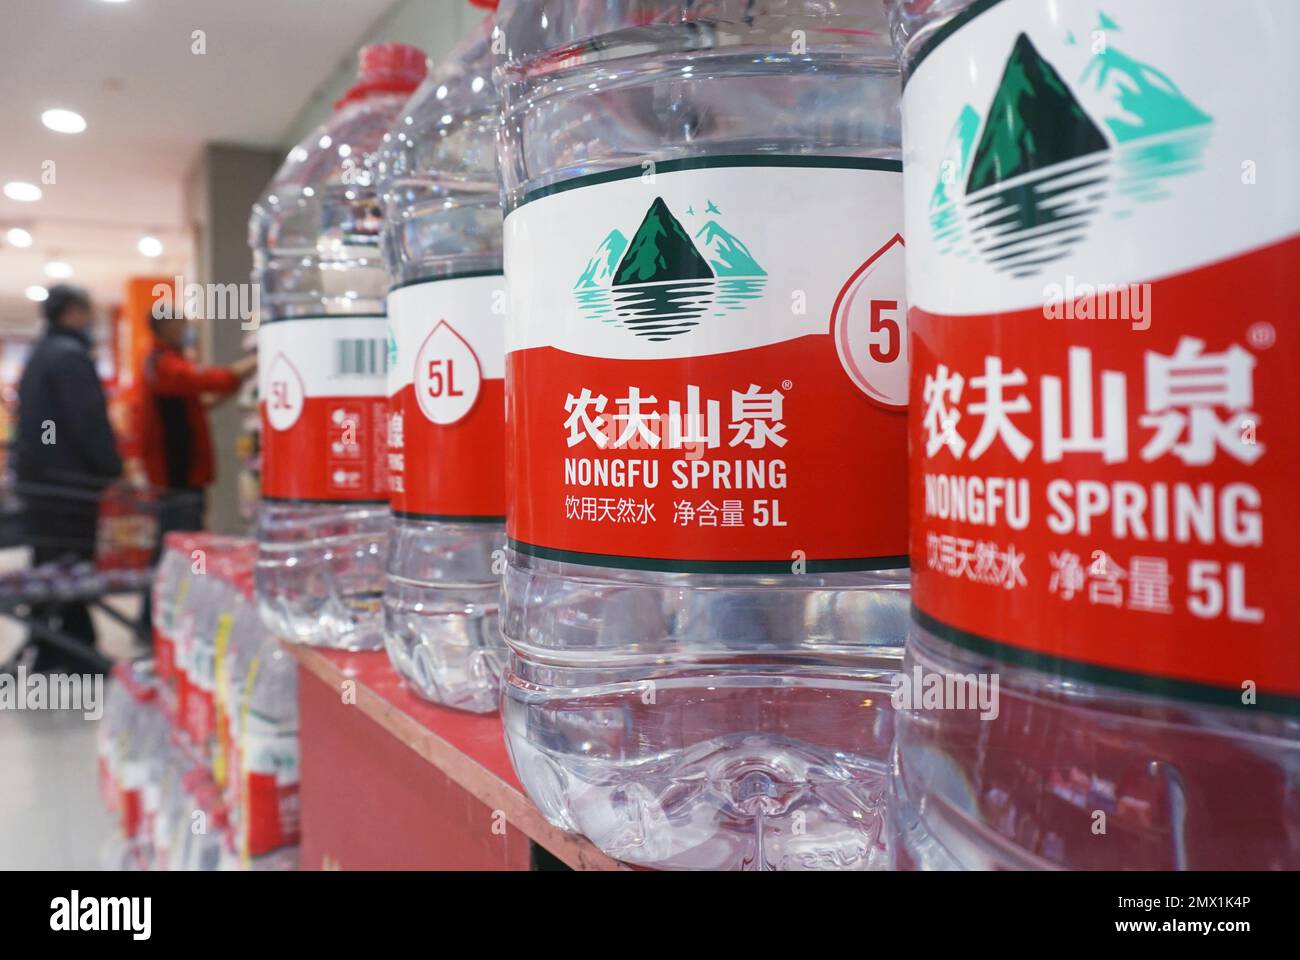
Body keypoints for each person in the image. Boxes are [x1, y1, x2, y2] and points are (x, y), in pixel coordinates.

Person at [13, 285, 124, 670]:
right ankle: (72, 650)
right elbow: (86, 422)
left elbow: (46, 427)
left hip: (46, 483)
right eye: (87, 311)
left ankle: (57, 648)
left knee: (54, 567)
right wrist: (113, 467)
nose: (91, 320)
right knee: (71, 566)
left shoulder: (41, 355)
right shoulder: (69, 357)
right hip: (69, 486)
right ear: (72, 312)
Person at [138, 307, 256, 534]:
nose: (187, 329)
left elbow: (202, 401)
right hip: (176, 470)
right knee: (181, 529)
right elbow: (210, 379)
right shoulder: (164, 364)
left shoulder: (167, 360)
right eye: (181, 323)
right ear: (166, 326)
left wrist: (237, 381)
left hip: (184, 468)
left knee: (186, 524)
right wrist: (255, 361)